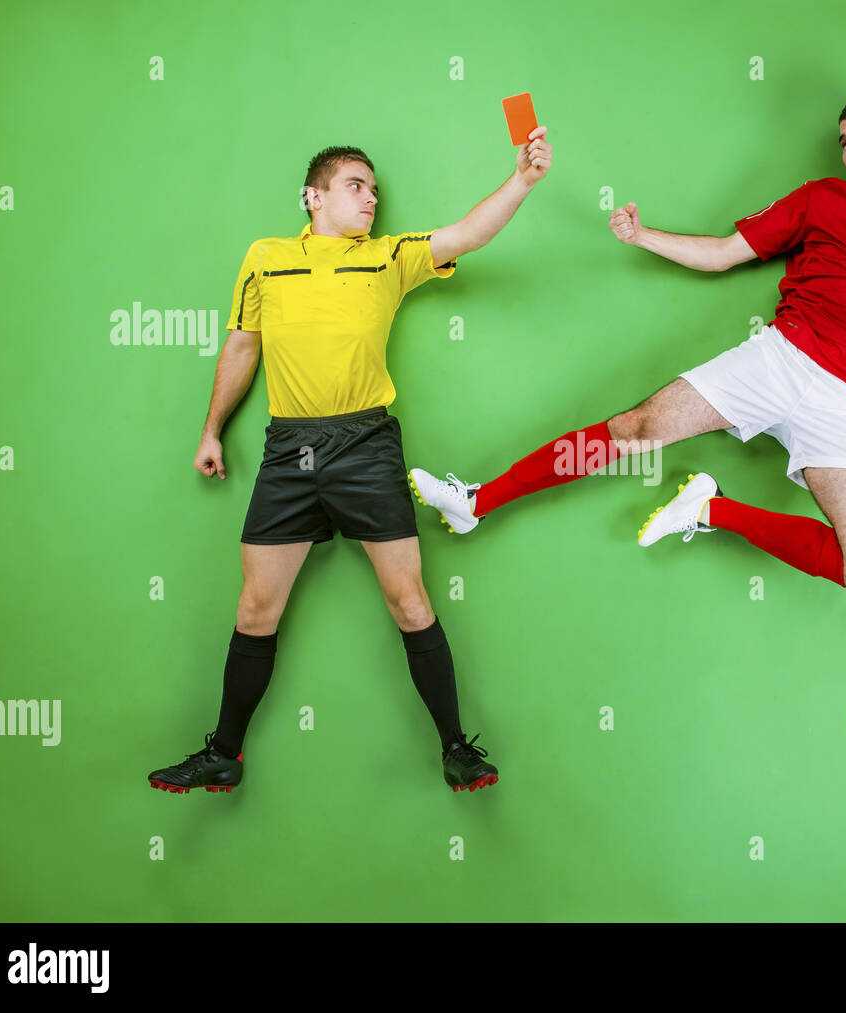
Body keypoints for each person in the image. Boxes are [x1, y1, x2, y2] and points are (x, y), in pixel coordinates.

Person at [410, 97, 846, 591]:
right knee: (634, 429)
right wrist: (642, 235)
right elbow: (725, 253)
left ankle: (708, 507)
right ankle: (474, 503)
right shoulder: (822, 197)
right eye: (843, 140)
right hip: (780, 359)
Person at [147, 126, 553, 795]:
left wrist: (523, 180)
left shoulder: (388, 257)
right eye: (355, 186)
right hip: (288, 450)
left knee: (410, 599)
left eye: (374, 191)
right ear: (314, 196)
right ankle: (223, 753)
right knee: (254, 609)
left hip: (365, 445)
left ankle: (456, 748)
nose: (370, 200)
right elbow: (243, 345)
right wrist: (211, 430)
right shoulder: (265, 257)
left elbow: (466, 234)